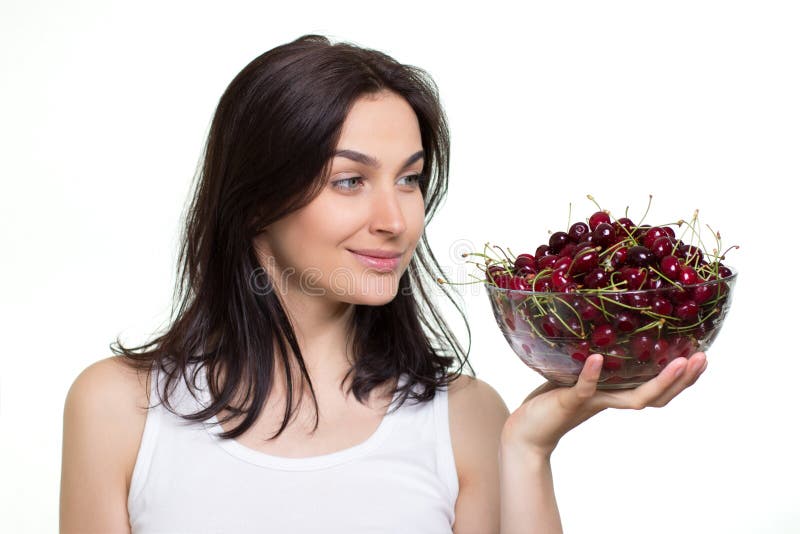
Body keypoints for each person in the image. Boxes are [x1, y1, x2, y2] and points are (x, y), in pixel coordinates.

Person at [59, 34, 708, 534]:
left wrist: (529, 448)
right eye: (350, 180)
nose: (396, 221)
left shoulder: (466, 419)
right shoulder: (120, 410)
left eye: (409, 178)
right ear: (256, 200)